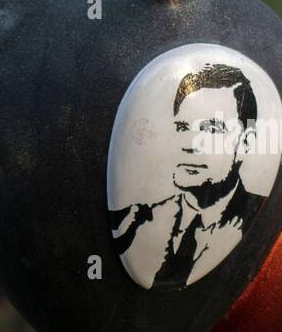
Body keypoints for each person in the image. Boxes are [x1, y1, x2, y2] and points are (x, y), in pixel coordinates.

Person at [111, 63, 265, 288]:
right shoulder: (137, 222)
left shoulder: (260, 220)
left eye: (211, 129)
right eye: (183, 128)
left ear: (245, 143)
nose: (189, 145)